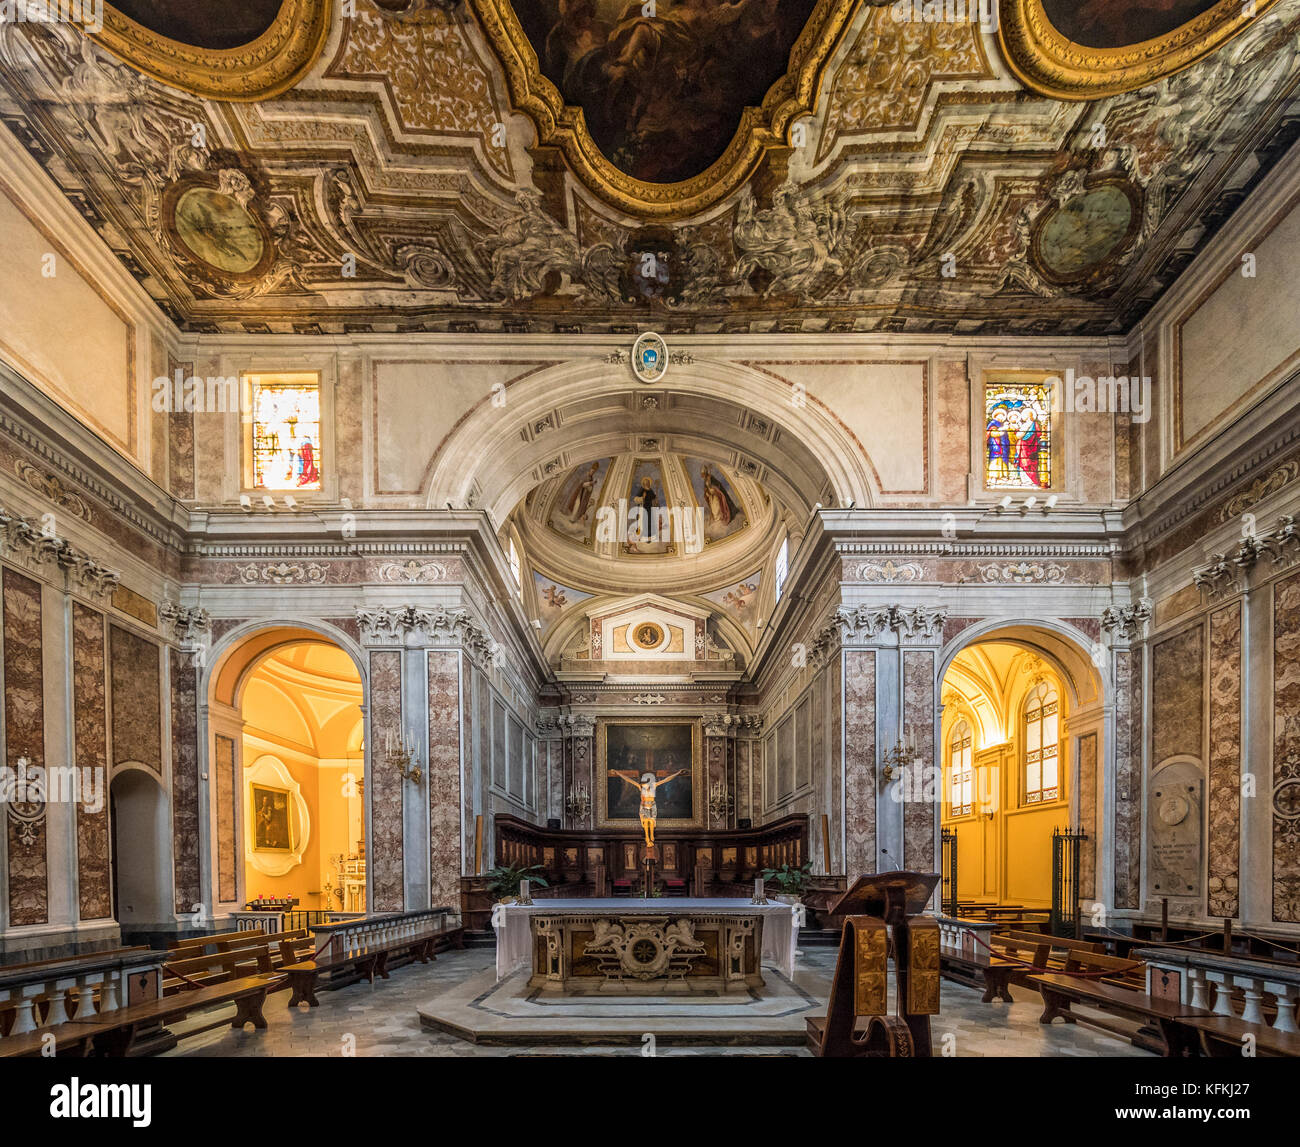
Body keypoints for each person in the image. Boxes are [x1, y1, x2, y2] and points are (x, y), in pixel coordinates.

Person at [609, 767, 688, 846]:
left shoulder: (653, 786)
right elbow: (628, 779)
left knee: (651, 821)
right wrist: (617, 773)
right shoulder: (640, 787)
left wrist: (678, 773)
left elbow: (666, 779)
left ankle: (651, 836)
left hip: (652, 806)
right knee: (647, 822)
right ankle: (647, 838)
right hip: (644, 806)